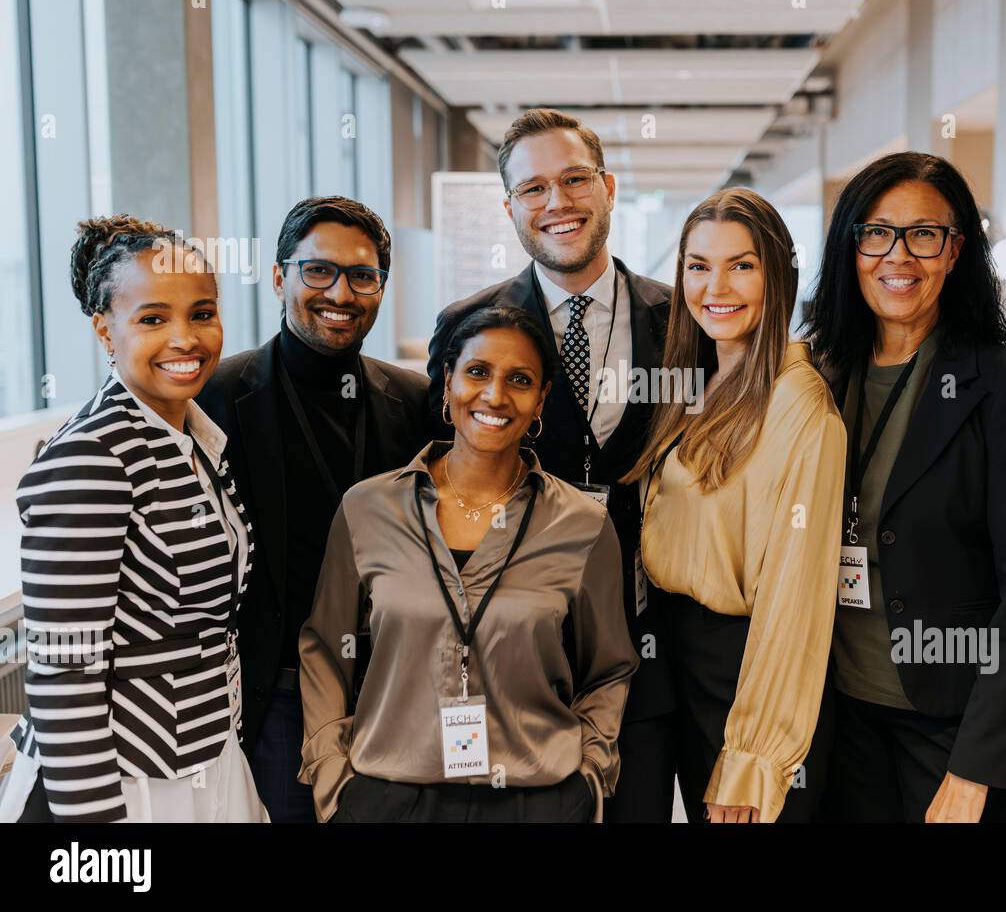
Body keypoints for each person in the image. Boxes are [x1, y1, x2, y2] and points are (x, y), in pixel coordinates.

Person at [425, 108, 675, 822]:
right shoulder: (466, 327)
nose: (556, 202)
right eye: (533, 189)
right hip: (513, 660)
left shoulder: (682, 320)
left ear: (609, 187)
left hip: (651, 664)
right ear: (509, 207)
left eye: (574, 180)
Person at [805, 152, 1006, 823]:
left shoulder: (1005, 386)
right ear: (850, 246)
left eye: (924, 235)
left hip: (948, 722)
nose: (899, 256)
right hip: (835, 716)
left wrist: (977, 767)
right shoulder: (816, 378)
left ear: (955, 254)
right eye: (877, 233)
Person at [300, 306, 636, 822]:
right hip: (390, 795)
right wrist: (332, 776)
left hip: (536, 798)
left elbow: (609, 669)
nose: (495, 396)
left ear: (541, 399)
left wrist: (589, 773)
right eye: (478, 372)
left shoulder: (583, 524)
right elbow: (324, 648)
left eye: (519, 380)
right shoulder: (367, 509)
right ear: (449, 381)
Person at [0, 215, 265, 822]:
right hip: (126, 781)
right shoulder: (91, 456)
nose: (185, 338)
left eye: (202, 313)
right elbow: (64, 672)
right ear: (105, 330)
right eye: (152, 319)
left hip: (205, 756)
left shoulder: (195, 437)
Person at [196, 196, 432, 822]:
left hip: (395, 680)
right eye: (318, 271)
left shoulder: (415, 401)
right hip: (280, 687)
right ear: (279, 276)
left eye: (363, 276)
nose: (341, 293)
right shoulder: (216, 397)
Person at [625, 188, 845, 823]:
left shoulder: (799, 404)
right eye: (698, 266)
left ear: (778, 274)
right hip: (685, 660)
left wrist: (754, 756)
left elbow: (794, 600)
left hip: (748, 674)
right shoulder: (699, 382)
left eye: (742, 265)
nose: (715, 285)